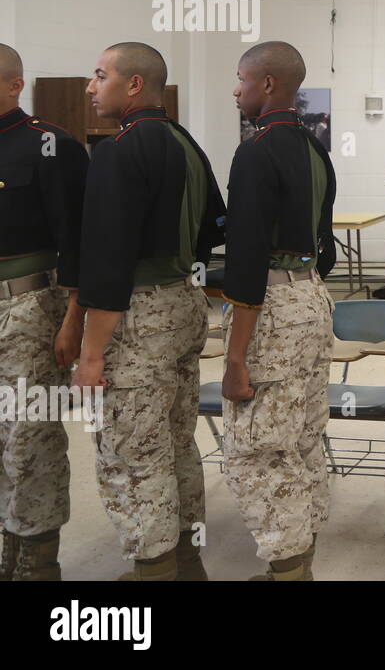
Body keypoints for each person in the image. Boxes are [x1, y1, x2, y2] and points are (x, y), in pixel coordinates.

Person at [72, 42, 226, 581]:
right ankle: (186, 562)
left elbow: (109, 262)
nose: (91, 87)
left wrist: (92, 353)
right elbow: (214, 227)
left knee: (133, 456)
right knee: (177, 441)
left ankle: (154, 572)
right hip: (185, 302)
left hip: (136, 315)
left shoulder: (118, 151)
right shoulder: (186, 143)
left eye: (99, 75)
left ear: (133, 84)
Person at [220, 42, 337, 581]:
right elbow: (327, 248)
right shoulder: (316, 150)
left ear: (268, 84)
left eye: (242, 79)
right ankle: (300, 560)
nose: (236, 90)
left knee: (260, 450)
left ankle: (287, 570)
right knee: (303, 439)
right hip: (310, 297)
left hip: (269, 306)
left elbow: (244, 263)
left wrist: (235, 357)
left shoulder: (256, 150)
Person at [0, 44, 88, 581]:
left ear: (14, 84)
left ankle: (36, 558)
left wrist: (74, 316)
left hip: (28, 307)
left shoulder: (51, 146)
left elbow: (75, 240)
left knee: (29, 434)